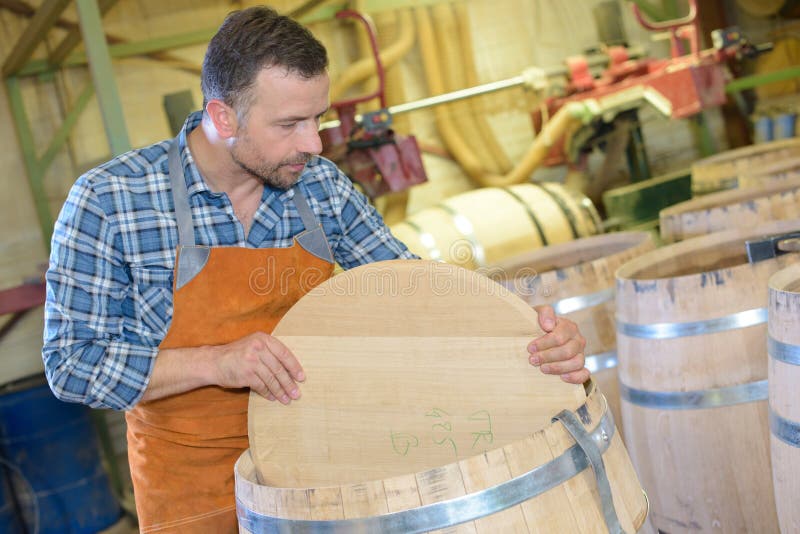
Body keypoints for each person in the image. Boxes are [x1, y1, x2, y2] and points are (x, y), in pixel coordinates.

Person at [43, 5, 589, 532]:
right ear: (222, 117)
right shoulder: (110, 202)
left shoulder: (318, 186)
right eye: (290, 124)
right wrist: (215, 363)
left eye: (318, 117)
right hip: (192, 492)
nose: (315, 142)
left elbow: (417, 293)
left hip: (322, 473)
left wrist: (528, 337)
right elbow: (71, 364)